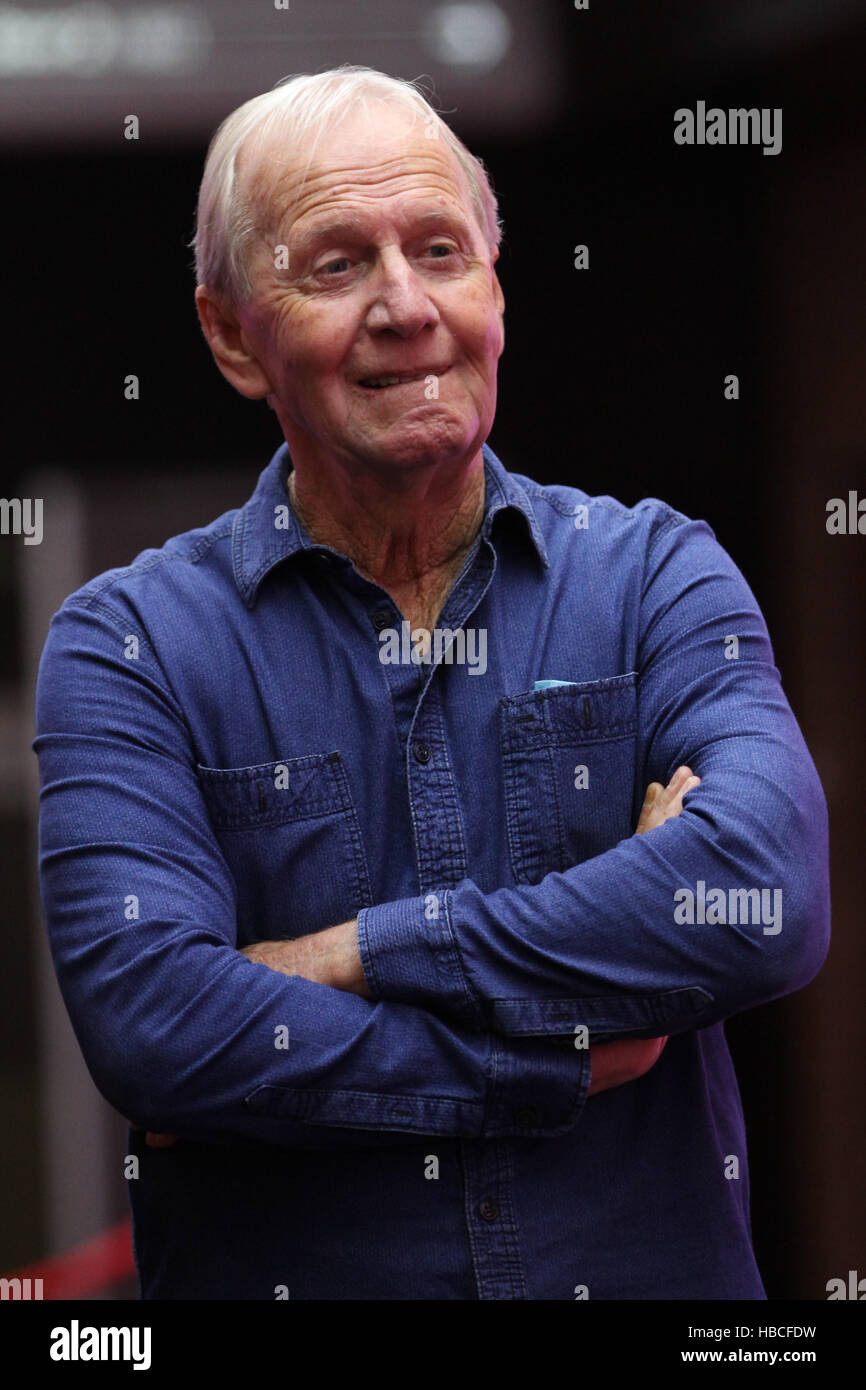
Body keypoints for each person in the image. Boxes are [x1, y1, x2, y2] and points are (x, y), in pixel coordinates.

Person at [34, 66, 829, 1300]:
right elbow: (156, 1026)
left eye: (439, 250)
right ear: (233, 335)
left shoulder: (655, 571)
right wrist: (558, 1059)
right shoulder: (127, 645)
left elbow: (761, 892)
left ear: (496, 292)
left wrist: (345, 954)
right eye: (337, 264)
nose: (405, 305)